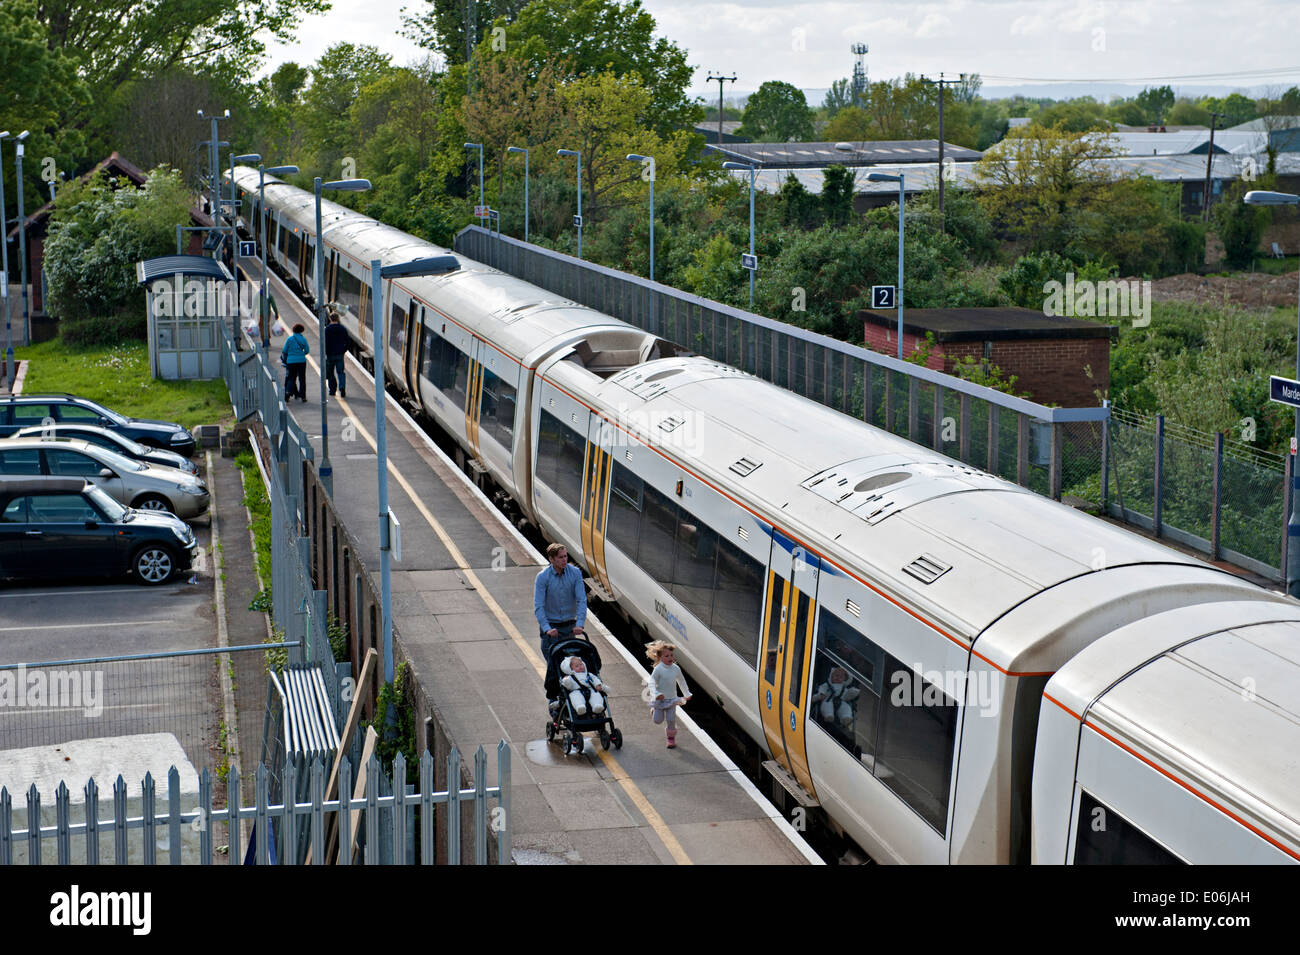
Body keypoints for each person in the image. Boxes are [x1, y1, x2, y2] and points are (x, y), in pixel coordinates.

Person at [534, 542, 586, 664]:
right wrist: (547, 628)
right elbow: (539, 606)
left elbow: (581, 600)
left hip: (569, 628)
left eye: (565, 556)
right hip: (551, 628)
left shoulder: (575, 573)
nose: (564, 560)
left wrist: (580, 623)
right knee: (554, 665)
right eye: (560, 557)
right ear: (551, 559)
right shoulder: (542, 577)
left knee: (571, 665)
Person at [645, 640, 691, 749]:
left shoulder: (676, 668)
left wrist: (686, 693)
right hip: (659, 700)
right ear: (660, 657)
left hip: (672, 700)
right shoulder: (658, 669)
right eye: (667, 656)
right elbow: (651, 682)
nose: (670, 658)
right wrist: (656, 694)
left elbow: (681, 681)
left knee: (671, 720)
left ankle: (671, 739)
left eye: (671, 655)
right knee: (657, 721)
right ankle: (654, 710)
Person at [281, 322, 310, 402]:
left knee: (291, 378)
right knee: (302, 378)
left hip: (291, 362)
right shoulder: (303, 339)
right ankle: (303, 396)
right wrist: (301, 354)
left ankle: (288, 393)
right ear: (301, 330)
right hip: (301, 361)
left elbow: (284, 350)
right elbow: (307, 350)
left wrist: (291, 355)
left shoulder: (289, 339)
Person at [324, 308, 349, 398]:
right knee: (341, 372)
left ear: (330, 319)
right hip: (340, 354)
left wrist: (326, 352)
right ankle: (342, 388)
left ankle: (332, 390)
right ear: (338, 319)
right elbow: (347, 341)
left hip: (330, 354)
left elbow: (324, 342)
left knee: (330, 373)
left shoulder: (327, 329)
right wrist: (344, 350)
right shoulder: (342, 329)